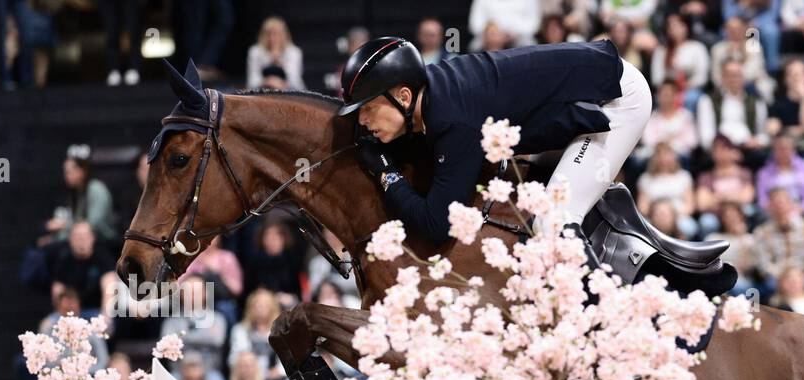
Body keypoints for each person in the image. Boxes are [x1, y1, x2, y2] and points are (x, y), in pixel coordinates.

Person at [343, 36, 648, 247]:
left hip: (615, 99)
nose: (363, 121)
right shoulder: (431, 94)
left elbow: (438, 226)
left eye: (368, 109)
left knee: (553, 221)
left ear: (404, 97)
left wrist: (386, 174)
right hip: (582, 96)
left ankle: (608, 320)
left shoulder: (454, 117)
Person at [751, 187, 804, 298]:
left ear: (791, 204)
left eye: (783, 202)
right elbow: (763, 265)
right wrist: (785, 278)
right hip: (777, 276)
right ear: (770, 208)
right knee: (769, 286)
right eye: (776, 204)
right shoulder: (762, 232)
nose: (780, 207)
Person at [696, 56, 769, 157]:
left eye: (737, 75)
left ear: (743, 77)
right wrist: (722, 149)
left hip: (748, 149)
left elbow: (763, 134)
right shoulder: (708, 101)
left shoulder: (756, 102)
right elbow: (706, 137)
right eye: (729, 75)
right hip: (719, 151)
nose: (734, 79)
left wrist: (757, 141)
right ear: (722, 77)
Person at [758, 133, 804, 216]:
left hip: (803, 207)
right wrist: (778, 209)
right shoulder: (764, 173)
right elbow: (763, 199)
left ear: (793, 149)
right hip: (776, 211)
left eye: (786, 148)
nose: (783, 152)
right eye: (779, 149)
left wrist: (803, 207)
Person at [247, 16, 304, 89]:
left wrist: (279, 61)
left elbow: (295, 82)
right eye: (269, 34)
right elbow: (252, 82)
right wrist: (268, 81)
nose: (273, 38)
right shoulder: (255, 52)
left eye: (277, 34)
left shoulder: (294, 52)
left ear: (284, 35)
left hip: (290, 94)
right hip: (262, 93)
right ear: (263, 35)